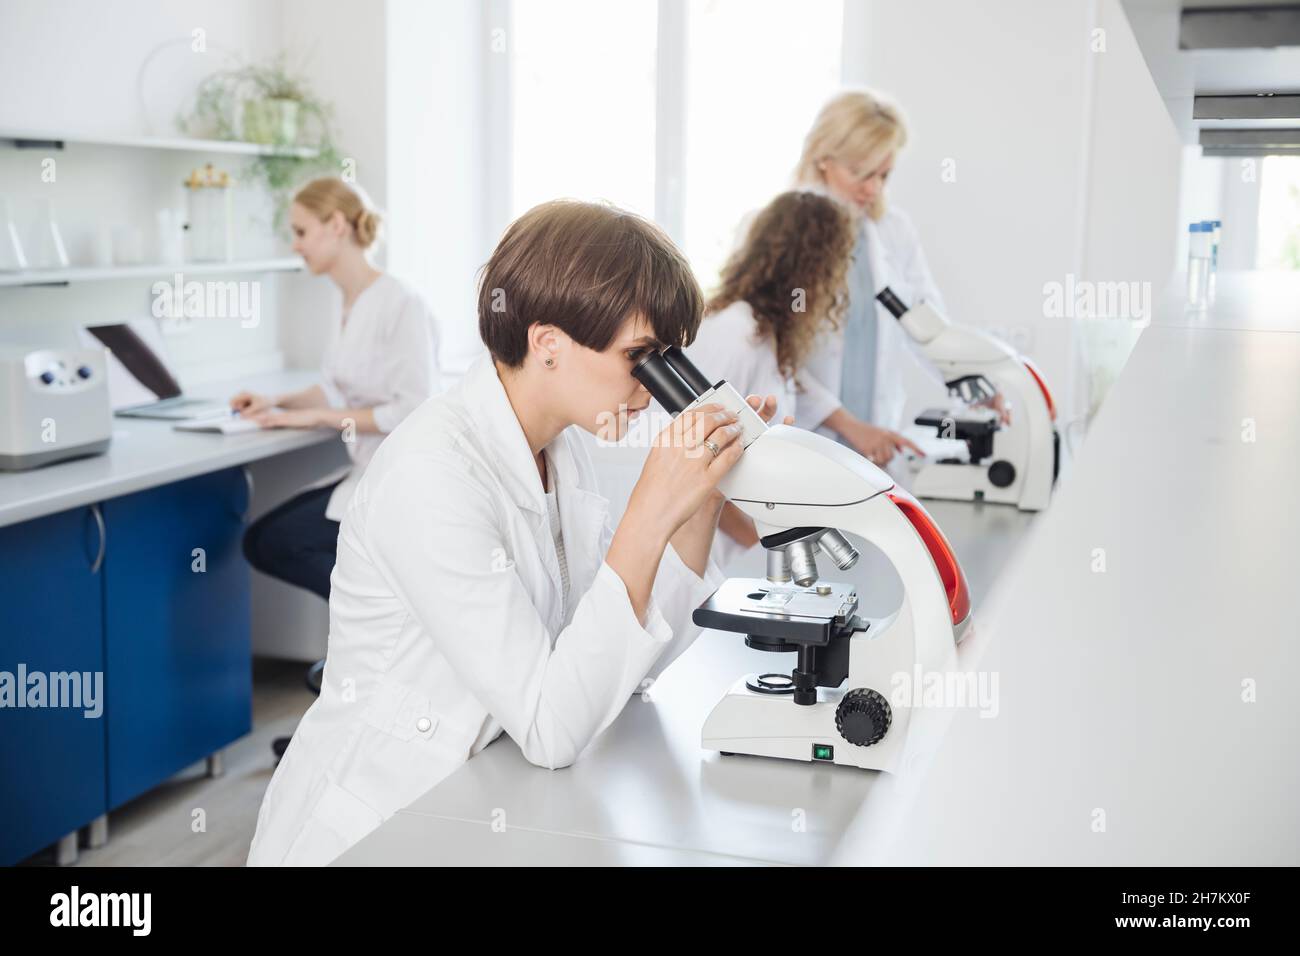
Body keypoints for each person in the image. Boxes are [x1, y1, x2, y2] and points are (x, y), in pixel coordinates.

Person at [246, 200, 785, 866]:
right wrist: (649, 510)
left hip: (480, 796)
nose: (650, 388)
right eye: (639, 357)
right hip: (376, 824)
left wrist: (701, 499)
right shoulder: (434, 471)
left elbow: (627, 665)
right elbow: (549, 728)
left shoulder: (562, 448)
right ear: (547, 343)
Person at [230, 177, 439, 755]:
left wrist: (311, 419)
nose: (295, 244)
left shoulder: (401, 302)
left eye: (301, 231)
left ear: (336, 227)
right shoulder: (349, 302)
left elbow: (411, 408)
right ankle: (377, 640)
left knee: (273, 543)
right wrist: (279, 404)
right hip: (363, 475)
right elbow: (336, 382)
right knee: (276, 543)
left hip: (395, 481)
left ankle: (391, 627)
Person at [689, 189, 921, 561]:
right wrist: (766, 549)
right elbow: (698, 464)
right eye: (836, 267)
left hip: (743, 546)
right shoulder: (734, 333)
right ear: (812, 268)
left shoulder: (764, 334)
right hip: (713, 552)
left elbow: (795, 385)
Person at [791, 89, 1006, 463]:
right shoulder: (786, 231)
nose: (873, 189)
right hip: (810, 434)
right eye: (860, 173)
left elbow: (928, 324)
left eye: (883, 175)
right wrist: (847, 425)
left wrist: (971, 384)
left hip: (876, 434)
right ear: (823, 158)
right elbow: (780, 357)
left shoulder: (893, 230)